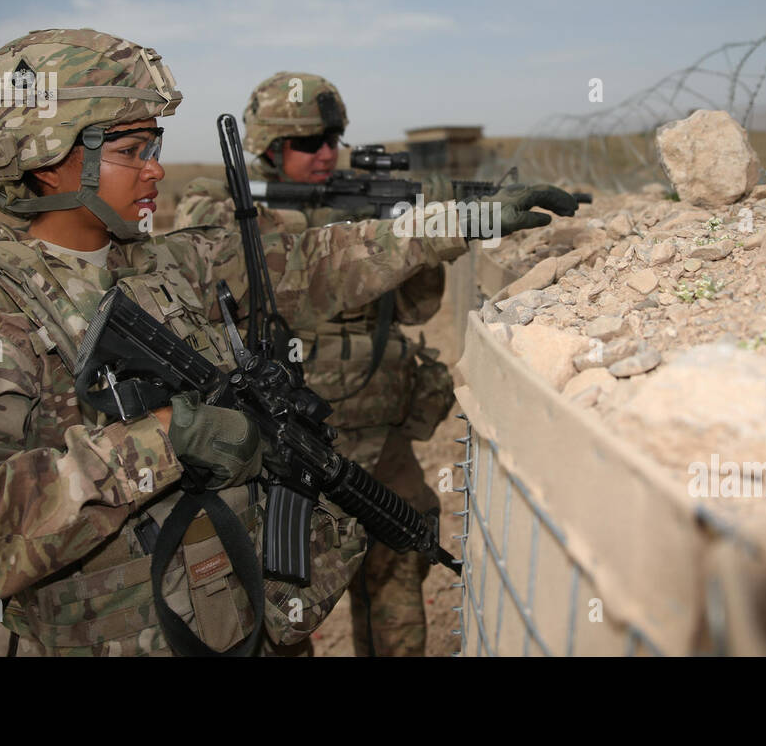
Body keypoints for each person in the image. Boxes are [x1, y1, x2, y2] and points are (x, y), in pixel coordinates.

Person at [0, 31, 513, 657]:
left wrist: (470, 218)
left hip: (250, 620)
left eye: (153, 148)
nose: (154, 172)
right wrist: (163, 440)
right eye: (131, 152)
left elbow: (325, 259)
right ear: (47, 162)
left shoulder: (173, 264)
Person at [174, 72, 573, 656]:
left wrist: (406, 237)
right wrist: (369, 231)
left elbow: (417, 308)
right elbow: (278, 269)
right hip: (283, 442)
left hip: (381, 434)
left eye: (332, 139)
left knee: (397, 570)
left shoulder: (365, 200)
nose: (327, 153)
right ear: (267, 148)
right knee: (282, 591)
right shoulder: (224, 206)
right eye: (308, 143)